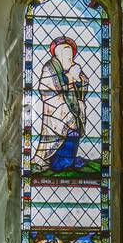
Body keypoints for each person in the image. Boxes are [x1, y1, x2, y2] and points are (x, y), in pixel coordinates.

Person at [31, 36, 87, 172]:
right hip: (57, 109)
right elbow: (47, 87)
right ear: (57, 54)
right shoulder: (49, 68)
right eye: (65, 54)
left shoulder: (73, 66)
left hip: (73, 106)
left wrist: (79, 79)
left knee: (74, 131)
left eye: (70, 54)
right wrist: (70, 78)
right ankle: (54, 161)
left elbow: (83, 82)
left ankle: (69, 160)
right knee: (61, 132)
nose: (69, 58)